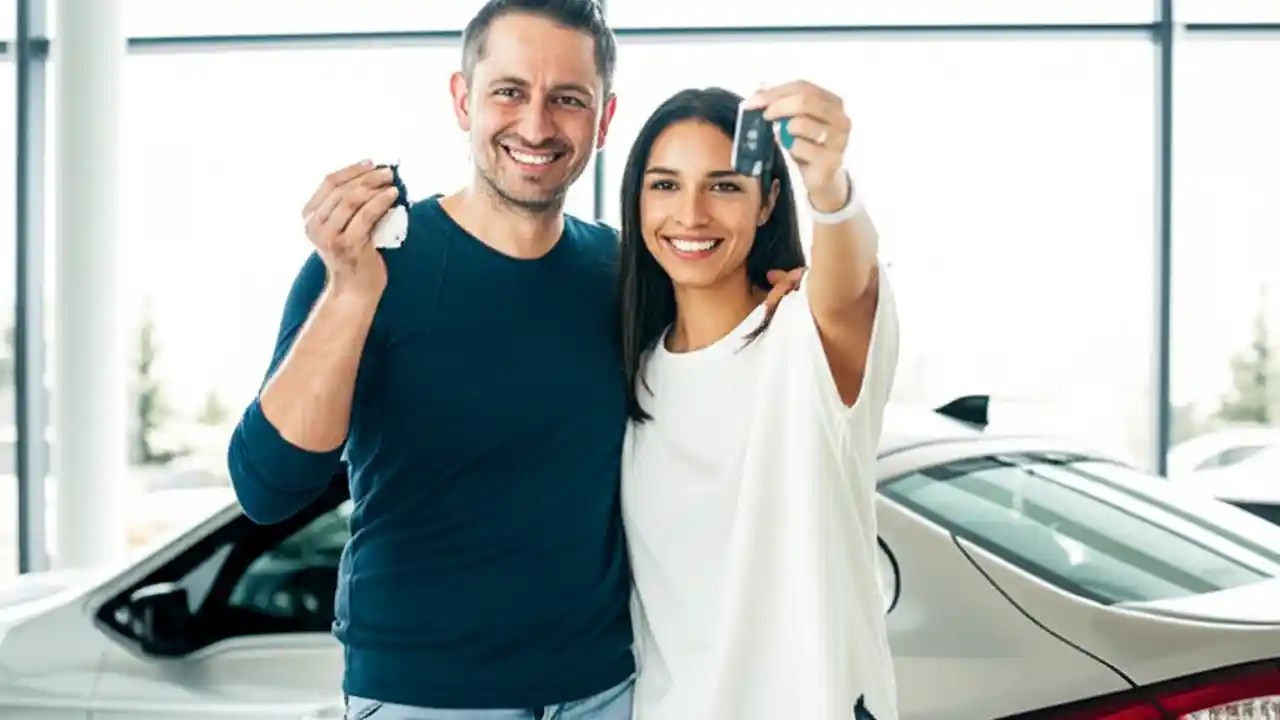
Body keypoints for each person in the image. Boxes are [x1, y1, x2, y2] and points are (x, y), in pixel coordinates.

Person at [225, 2, 636, 718]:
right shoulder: (367, 261)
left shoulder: (625, 274)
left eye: (567, 99)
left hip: (605, 690)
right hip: (424, 696)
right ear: (462, 99)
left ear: (602, 120)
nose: (536, 125)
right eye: (509, 91)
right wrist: (353, 290)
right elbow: (268, 488)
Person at [617, 85, 901, 719]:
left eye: (723, 186)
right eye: (665, 185)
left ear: (769, 200)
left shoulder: (804, 336)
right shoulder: (634, 371)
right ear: (636, 201)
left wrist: (828, 186)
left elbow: (850, 285)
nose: (691, 214)